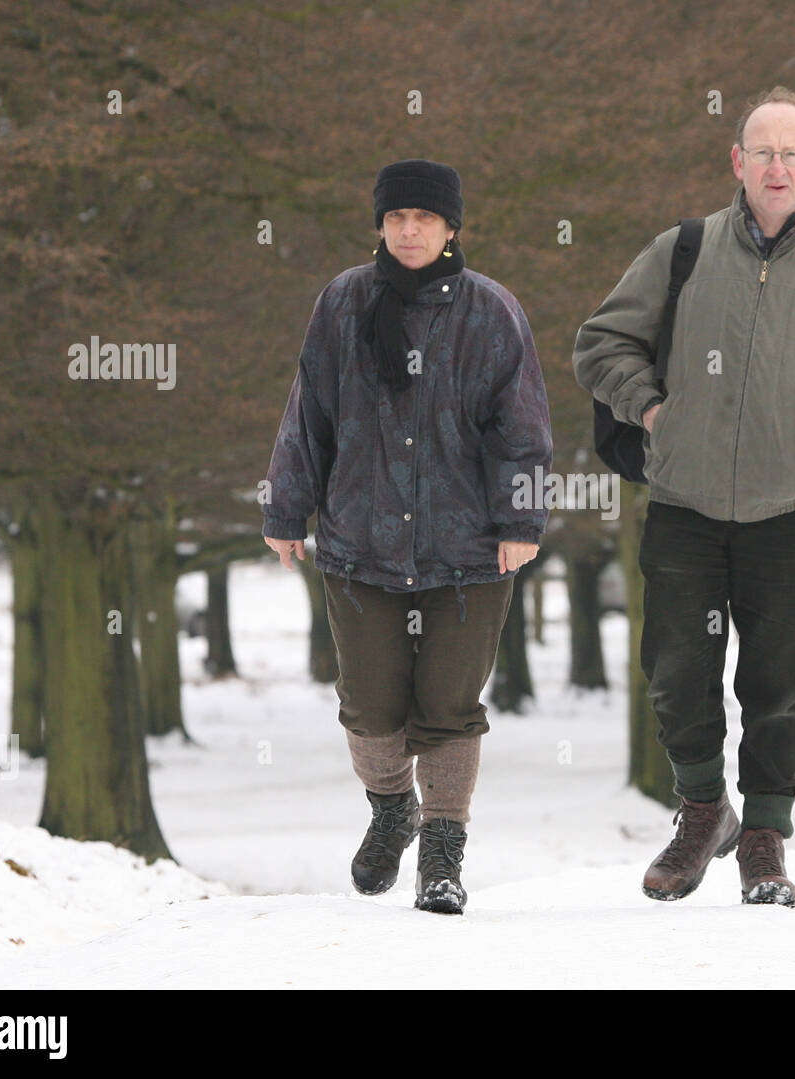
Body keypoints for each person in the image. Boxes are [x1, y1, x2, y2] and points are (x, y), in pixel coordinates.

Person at [573, 87, 795, 907]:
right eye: (760, 150)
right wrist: (656, 410)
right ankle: (702, 810)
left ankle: (764, 835)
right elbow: (600, 343)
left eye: (791, 152)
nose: (776, 165)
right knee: (677, 672)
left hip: (790, 512)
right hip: (684, 505)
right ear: (736, 162)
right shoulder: (682, 252)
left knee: (776, 685)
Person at [261, 159, 552, 915]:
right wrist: (286, 509)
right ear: (381, 226)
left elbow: (521, 429)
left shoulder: (491, 312)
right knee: (368, 704)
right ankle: (392, 806)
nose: (410, 230)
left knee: (450, 705)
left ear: (452, 227)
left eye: (425, 217)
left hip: (470, 554)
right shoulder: (343, 303)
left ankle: (444, 854)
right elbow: (309, 414)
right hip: (361, 545)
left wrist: (521, 520)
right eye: (397, 218)